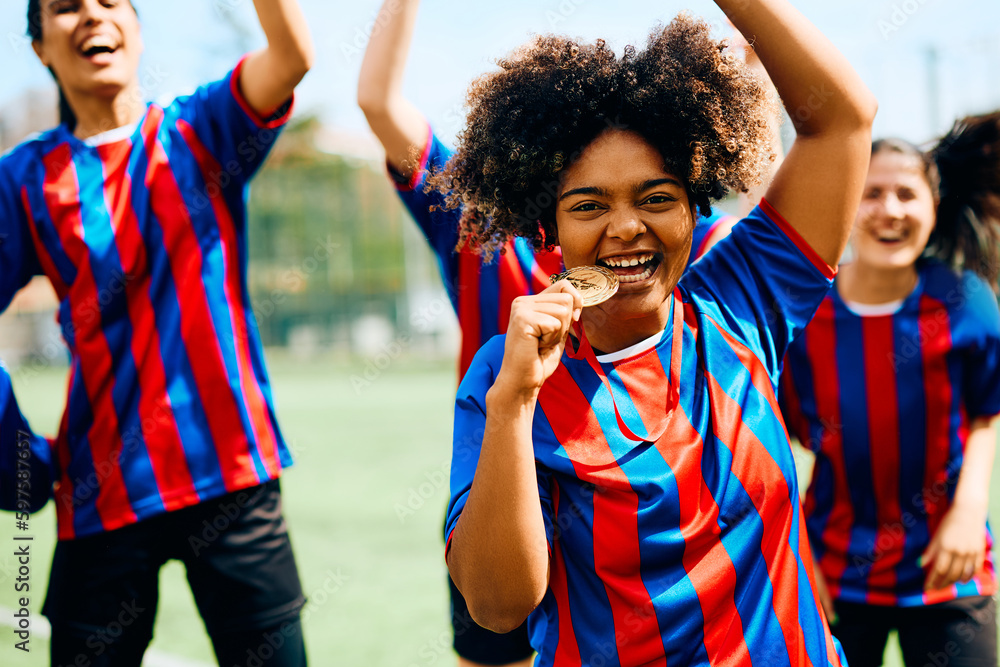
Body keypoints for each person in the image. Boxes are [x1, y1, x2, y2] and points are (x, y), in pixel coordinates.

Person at [438, 0, 877, 663]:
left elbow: (841, 118)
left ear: (693, 205)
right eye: (588, 206)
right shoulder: (508, 375)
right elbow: (498, 605)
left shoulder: (744, 296)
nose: (625, 227)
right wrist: (513, 405)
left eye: (656, 197)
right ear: (544, 229)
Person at [356, 2, 745, 664]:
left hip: (627, 488)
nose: (623, 224)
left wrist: (737, 67)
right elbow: (377, 101)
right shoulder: (482, 237)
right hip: (505, 479)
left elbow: (738, 190)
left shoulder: (668, 240)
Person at [0, 1, 313, 664]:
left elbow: (292, 58)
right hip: (100, 491)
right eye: (63, 7)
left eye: (110, 2)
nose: (90, 16)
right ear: (38, 47)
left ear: (138, 30)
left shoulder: (201, 129)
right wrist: (12, 449)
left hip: (232, 477)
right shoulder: (23, 178)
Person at [780, 114, 1000, 666]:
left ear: (933, 205)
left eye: (907, 193)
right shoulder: (804, 313)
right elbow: (775, 444)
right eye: (872, 193)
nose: (891, 209)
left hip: (950, 566)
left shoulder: (964, 299)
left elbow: (985, 411)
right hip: (834, 573)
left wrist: (970, 511)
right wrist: (800, 562)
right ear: (848, 203)